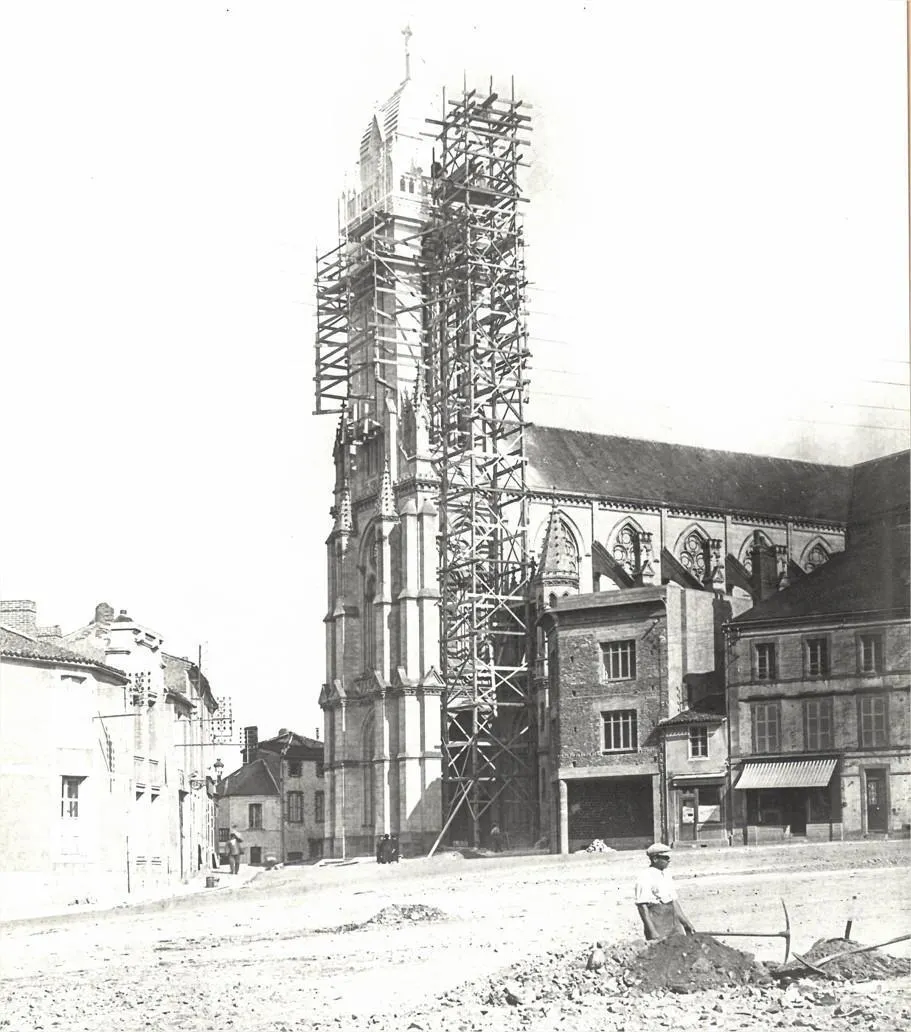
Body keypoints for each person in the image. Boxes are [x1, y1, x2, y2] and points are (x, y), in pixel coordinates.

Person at [634, 842, 696, 941]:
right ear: (655, 859)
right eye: (666, 858)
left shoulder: (666, 874)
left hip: (672, 919)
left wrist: (686, 923)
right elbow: (642, 906)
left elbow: (674, 901)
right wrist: (652, 931)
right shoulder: (645, 877)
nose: (669, 860)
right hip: (657, 921)